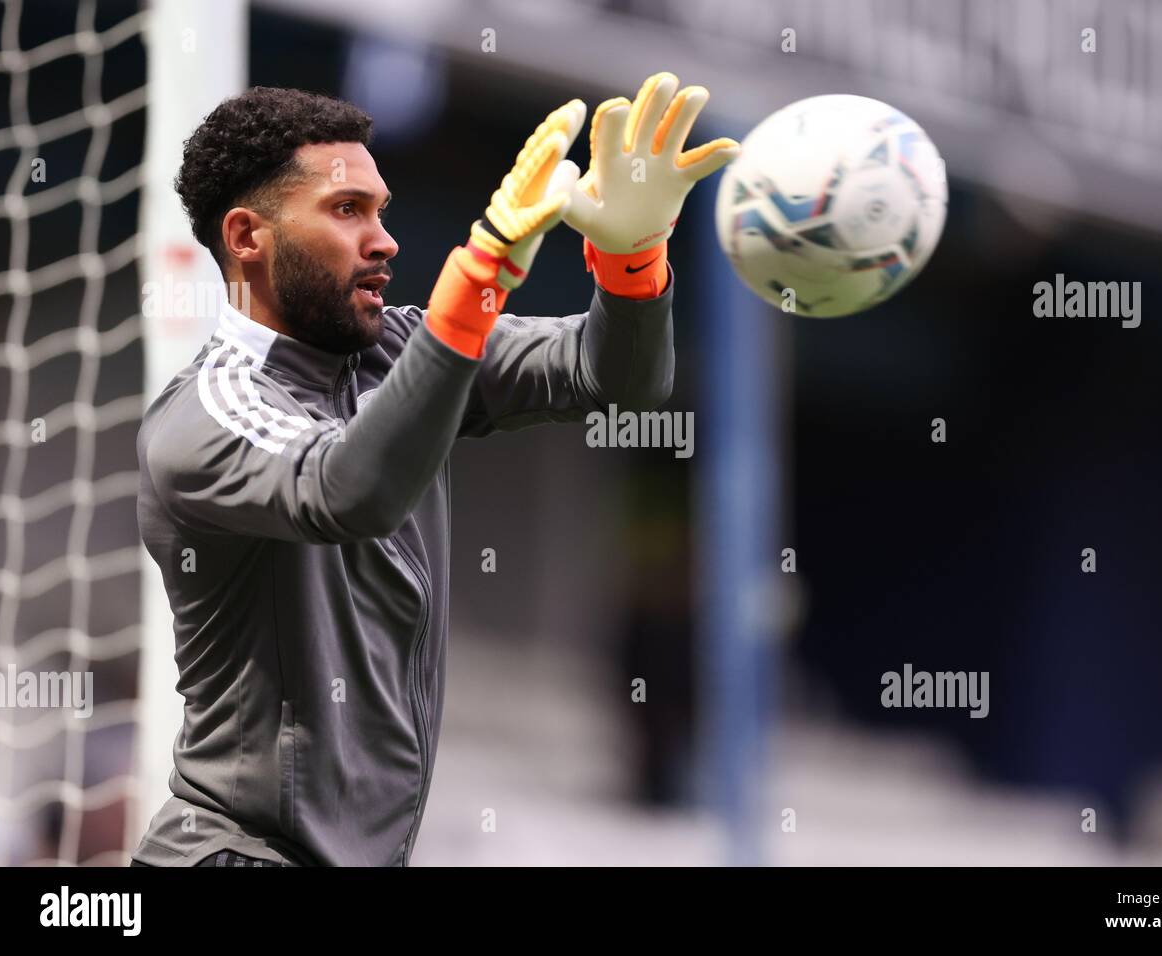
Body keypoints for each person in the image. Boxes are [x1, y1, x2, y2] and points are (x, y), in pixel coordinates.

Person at [129, 75, 737, 866]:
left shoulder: (399, 350)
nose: (384, 240)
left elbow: (614, 375)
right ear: (248, 236)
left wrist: (631, 257)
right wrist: (480, 274)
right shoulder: (202, 417)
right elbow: (351, 488)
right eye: (348, 211)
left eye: (380, 210)